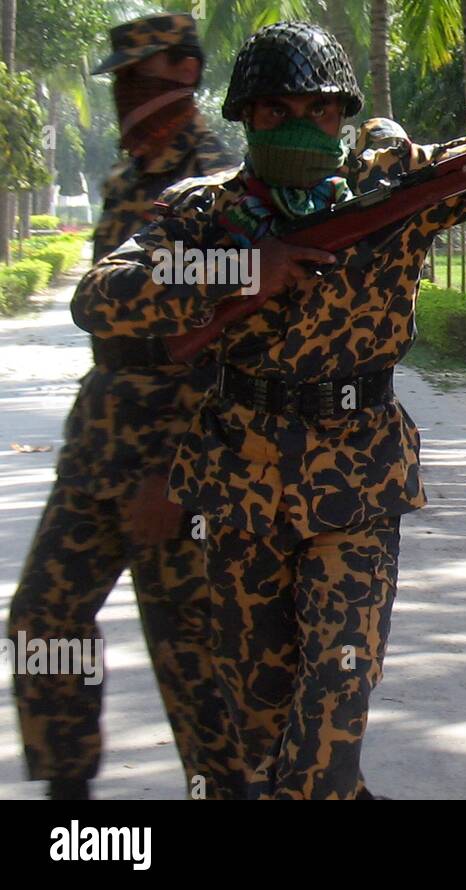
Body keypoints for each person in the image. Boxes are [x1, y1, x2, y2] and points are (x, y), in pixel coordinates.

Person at [72, 21, 466, 799]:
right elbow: (100, 300)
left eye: (321, 109)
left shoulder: (391, 191)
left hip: (356, 484)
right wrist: (237, 268)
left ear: (344, 115)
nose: (300, 124)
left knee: (329, 711)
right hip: (239, 489)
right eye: (277, 109)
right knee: (263, 736)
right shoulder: (206, 213)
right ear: (245, 117)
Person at [6, 12, 241, 801]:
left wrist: (175, 478)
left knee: (196, 670)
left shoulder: (216, 186)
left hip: (173, 469)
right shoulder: (124, 178)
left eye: (141, 77)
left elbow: (228, 350)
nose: (125, 96)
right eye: (123, 81)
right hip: (96, 452)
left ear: (182, 74)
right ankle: (67, 795)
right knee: (44, 619)